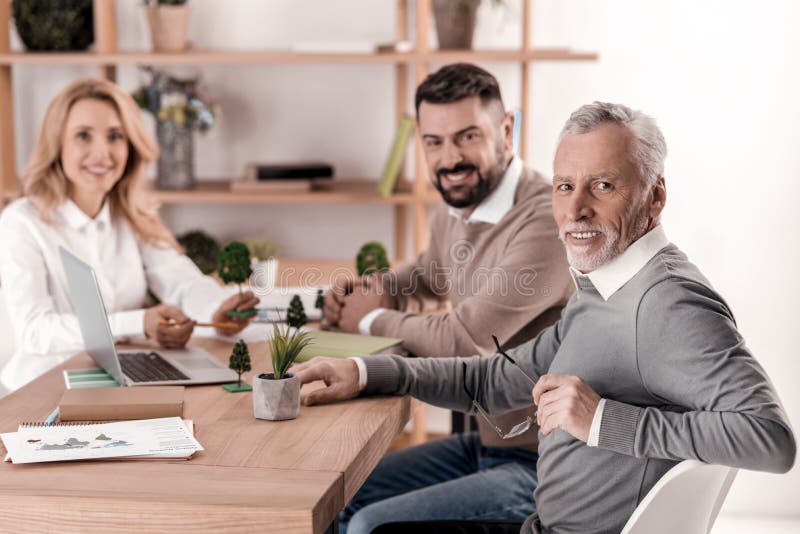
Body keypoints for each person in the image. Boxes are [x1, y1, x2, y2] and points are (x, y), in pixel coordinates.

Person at [295, 101, 797, 534]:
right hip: (539, 523)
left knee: (369, 526)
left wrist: (601, 420)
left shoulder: (668, 303)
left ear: (656, 196)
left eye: (603, 185)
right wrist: (365, 373)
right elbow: (494, 382)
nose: (575, 209)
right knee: (344, 501)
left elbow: (771, 439)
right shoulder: (603, 287)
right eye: (564, 186)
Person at [322, 63, 574, 532]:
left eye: (467, 137)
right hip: (491, 446)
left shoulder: (546, 220)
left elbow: (465, 338)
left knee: (370, 525)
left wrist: (369, 319)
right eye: (433, 142)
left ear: (506, 129)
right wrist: (375, 291)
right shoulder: (458, 208)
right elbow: (427, 274)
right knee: (333, 495)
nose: (449, 158)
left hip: (548, 466)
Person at [0, 78, 258, 392]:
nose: (102, 153)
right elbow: (35, 330)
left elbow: (181, 281)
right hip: (40, 387)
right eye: (83, 135)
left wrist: (215, 309)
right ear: (57, 144)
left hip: (118, 379)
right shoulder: (22, 222)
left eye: (115, 136)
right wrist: (139, 323)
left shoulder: (130, 215)